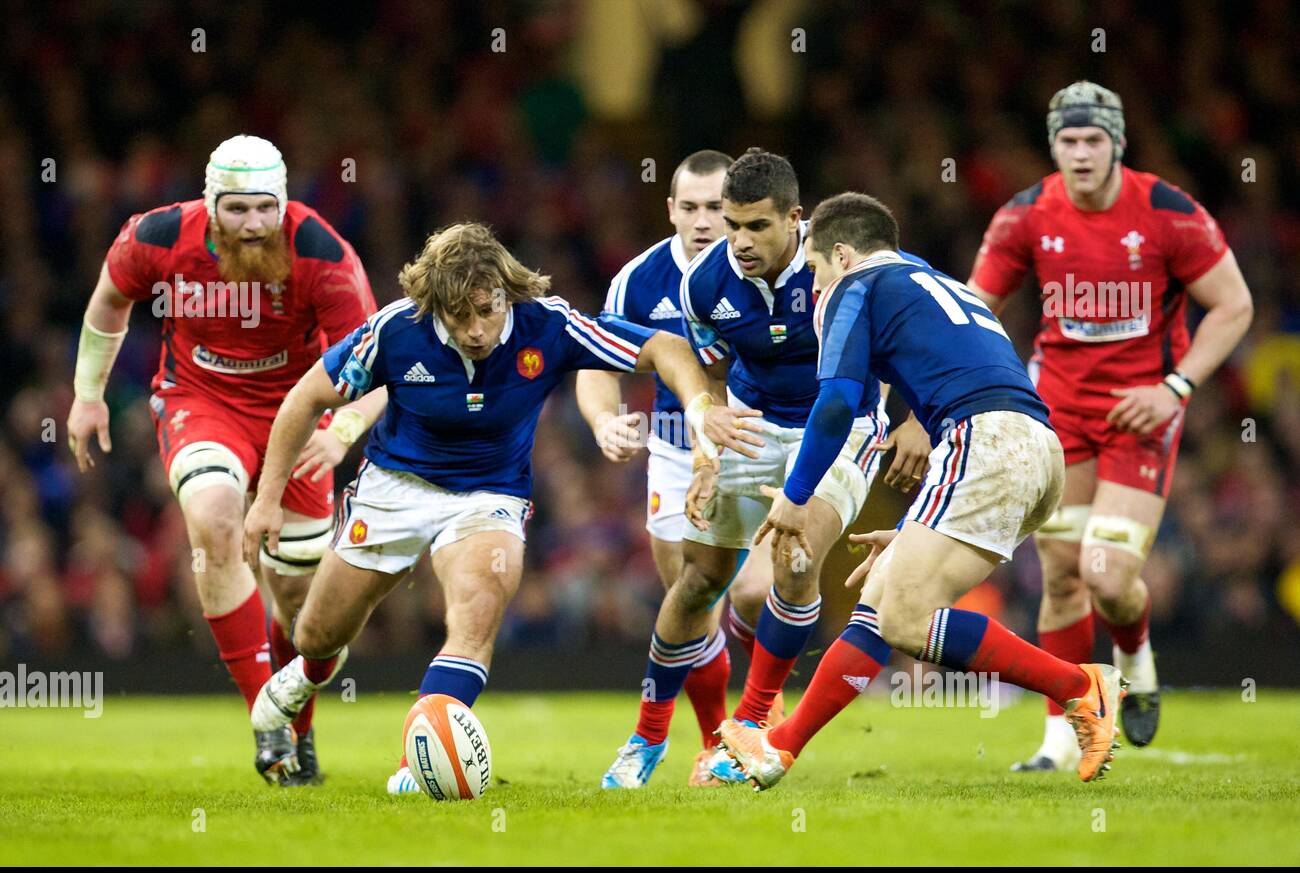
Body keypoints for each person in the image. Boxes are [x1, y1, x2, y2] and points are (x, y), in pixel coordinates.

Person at [239, 223, 764, 792]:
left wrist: (698, 410)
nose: (474, 330)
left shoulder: (548, 323)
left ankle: (420, 755)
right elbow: (304, 399)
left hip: (491, 495)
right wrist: (268, 499)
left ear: (505, 295)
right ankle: (309, 674)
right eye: (457, 315)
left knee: (478, 606)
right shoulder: (395, 330)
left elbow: (666, 347)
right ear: (433, 304)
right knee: (318, 634)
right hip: (393, 487)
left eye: (485, 312)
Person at [718, 192, 1127, 788]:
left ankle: (1080, 687)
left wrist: (795, 494)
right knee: (881, 602)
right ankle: (777, 749)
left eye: (812, 268)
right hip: (1036, 447)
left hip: (982, 443)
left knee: (907, 618)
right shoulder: (941, 283)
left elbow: (834, 404)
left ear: (840, 253)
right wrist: (918, 532)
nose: (810, 282)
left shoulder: (854, 287)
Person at [601, 150, 931, 788]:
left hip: (842, 428)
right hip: (751, 423)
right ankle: (645, 736)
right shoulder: (703, 283)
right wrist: (705, 451)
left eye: (757, 226)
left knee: (796, 553)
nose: (740, 241)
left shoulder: (847, 264)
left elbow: (920, 332)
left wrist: (916, 420)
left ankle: (749, 726)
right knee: (699, 582)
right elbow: (713, 375)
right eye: (732, 224)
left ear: (796, 219)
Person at [66, 135, 382, 784]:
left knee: (301, 602)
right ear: (210, 205)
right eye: (237, 210)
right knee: (215, 522)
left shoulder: (321, 251)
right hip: (200, 400)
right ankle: (266, 722)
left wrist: (343, 428)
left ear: (284, 202)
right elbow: (107, 301)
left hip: (299, 417)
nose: (254, 225)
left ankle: (300, 726)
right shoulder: (155, 237)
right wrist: (85, 395)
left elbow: (379, 360)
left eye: (266, 208)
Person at [967, 81, 1253, 771]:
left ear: (1118, 143)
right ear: (1053, 146)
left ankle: (1134, 661)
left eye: (1094, 139)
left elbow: (1234, 305)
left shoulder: (1168, 213)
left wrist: (1175, 387)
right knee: (1060, 575)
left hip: (1138, 416)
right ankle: (1058, 742)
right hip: (1059, 412)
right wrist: (990, 392)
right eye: (1068, 140)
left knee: (1107, 574)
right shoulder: (1025, 215)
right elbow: (975, 308)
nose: (1081, 152)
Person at [577, 149, 784, 788]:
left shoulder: (768, 269)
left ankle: (757, 708)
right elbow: (594, 361)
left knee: (750, 592)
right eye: (688, 208)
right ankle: (709, 741)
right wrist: (603, 421)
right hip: (674, 451)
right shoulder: (638, 281)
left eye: (714, 210)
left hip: (762, 443)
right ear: (669, 210)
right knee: (691, 600)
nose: (702, 222)